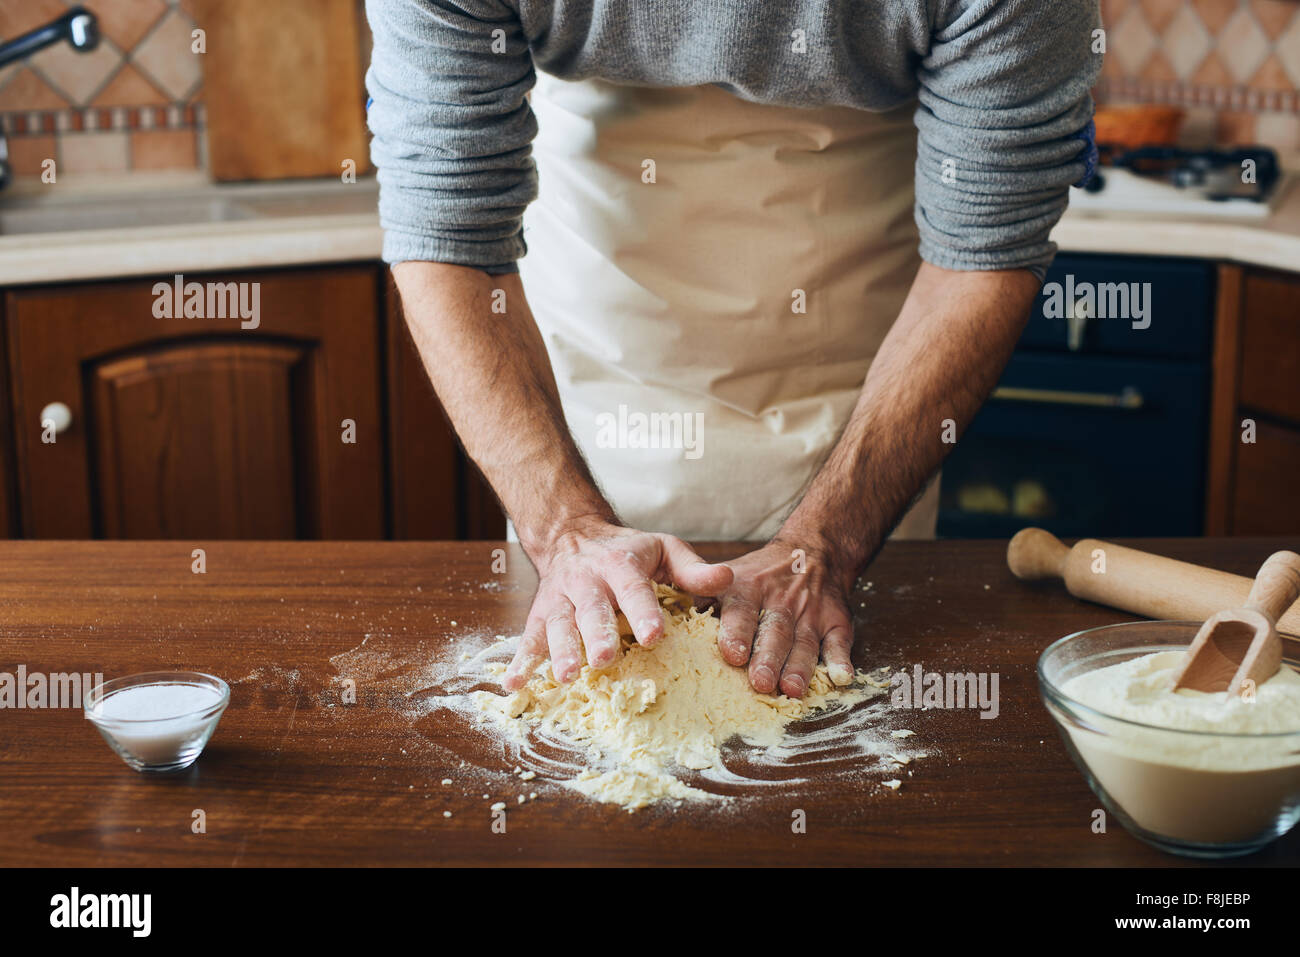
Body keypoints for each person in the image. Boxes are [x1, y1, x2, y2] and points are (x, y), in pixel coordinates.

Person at [365, 0, 1101, 698]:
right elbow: (449, 236)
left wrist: (832, 547)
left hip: (860, 397)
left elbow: (980, 258)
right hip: (588, 370)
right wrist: (563, 533)